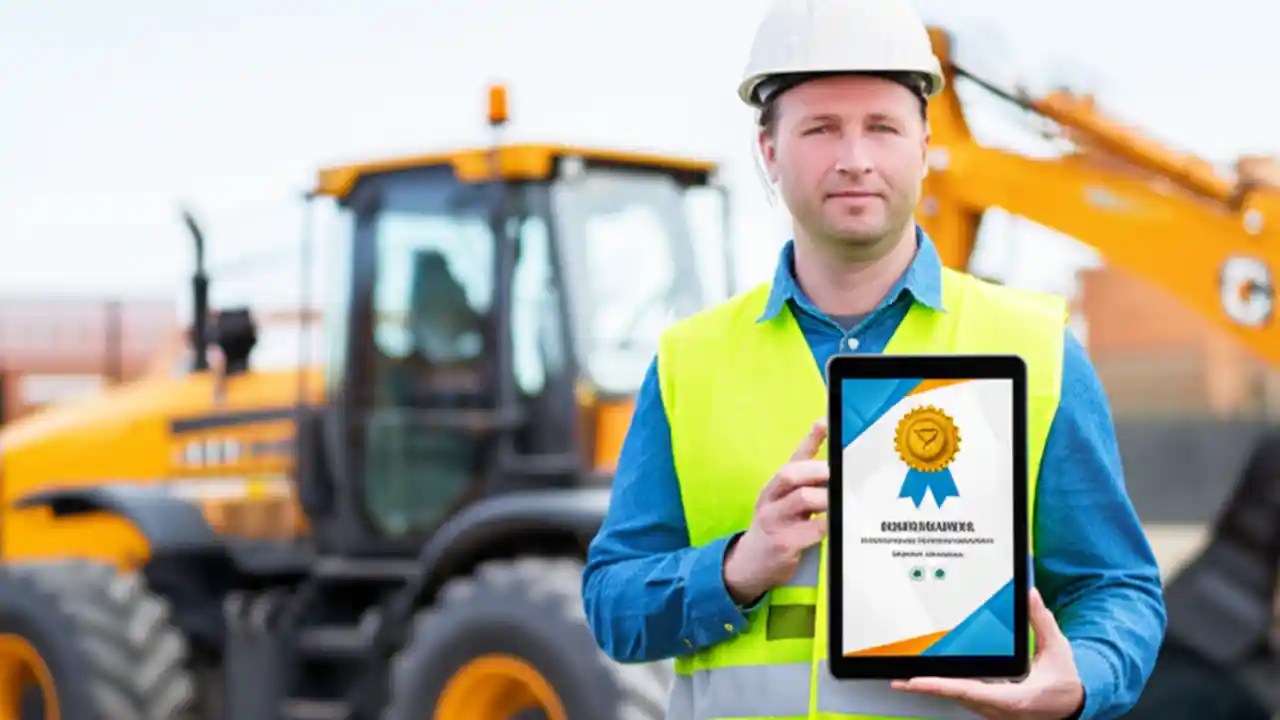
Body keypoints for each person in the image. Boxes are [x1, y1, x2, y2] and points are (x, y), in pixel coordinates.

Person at [581, 0, 1167, 718]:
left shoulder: (1036, 348)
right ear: (768, 149)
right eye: (821, 128)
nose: (854, 158)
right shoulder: (688, 361)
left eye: (882, 128)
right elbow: (613, 603)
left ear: (923, 145)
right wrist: (735, 569)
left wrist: (1082, 681)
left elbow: (1116, 587)